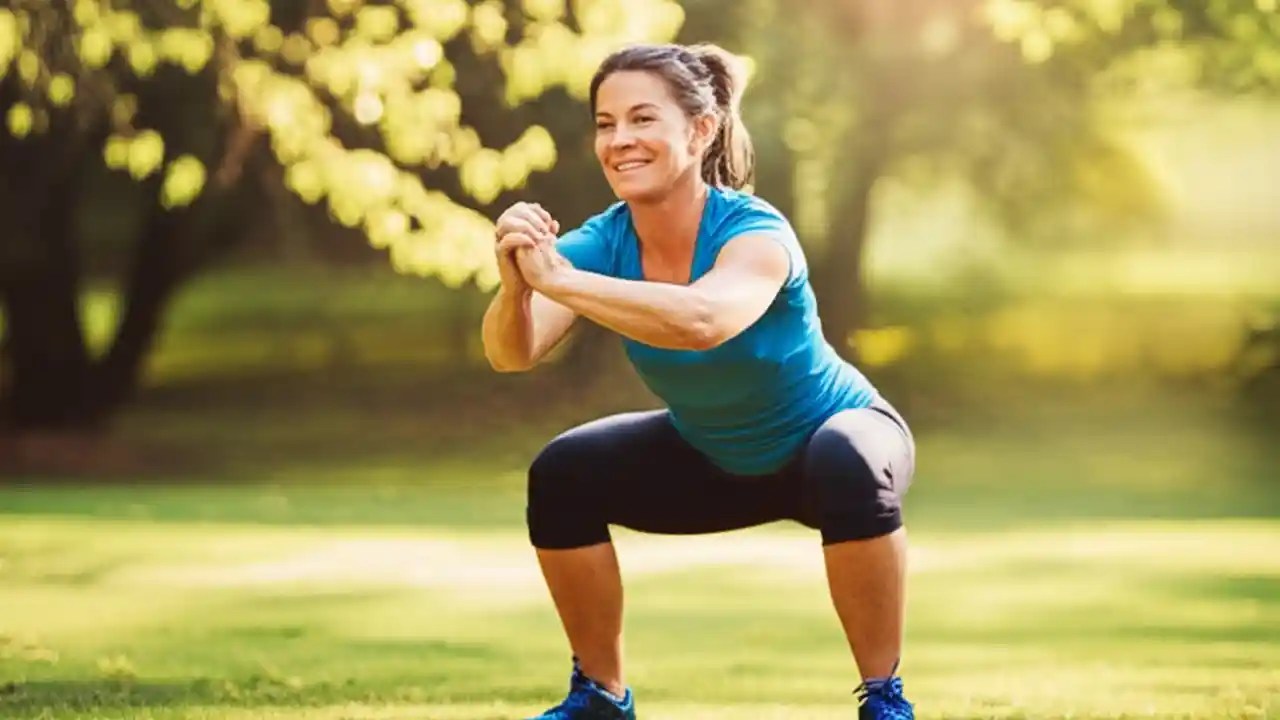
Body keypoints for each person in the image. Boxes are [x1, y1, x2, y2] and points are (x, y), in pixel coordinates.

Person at [480, 42, 917, 720]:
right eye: (605, 123)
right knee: (563, 471)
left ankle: (883, 698)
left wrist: (560, 278)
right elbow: (513, 351)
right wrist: (516, 283)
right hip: (715, 453)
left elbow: (706, 319)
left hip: (830, 439)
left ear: (701, 129)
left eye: (642, 119)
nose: (620, 139)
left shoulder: (754, 231)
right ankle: (600, 694)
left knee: (846, 460)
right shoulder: (606, 241)